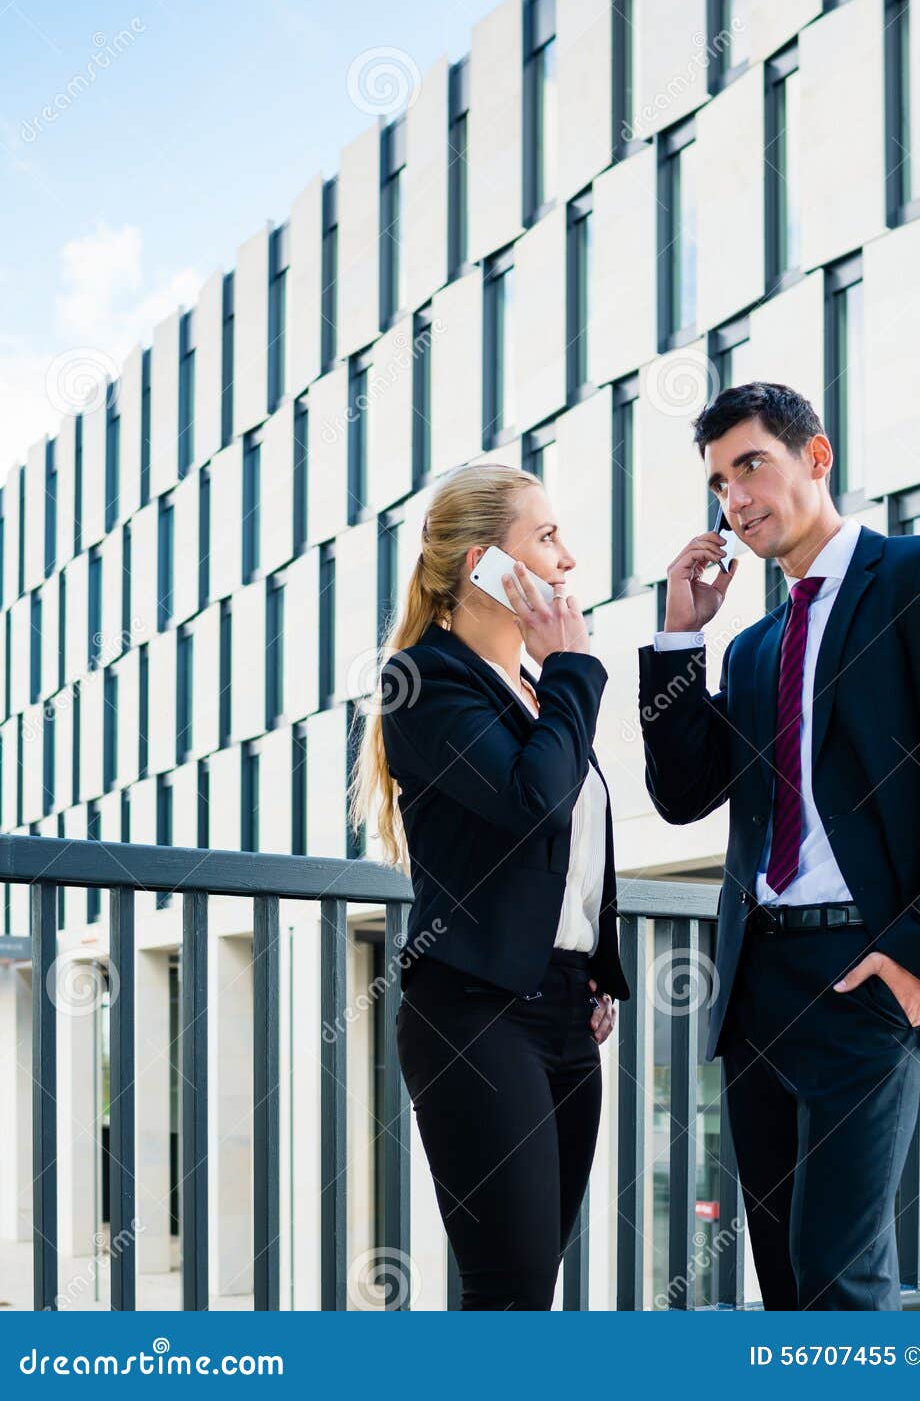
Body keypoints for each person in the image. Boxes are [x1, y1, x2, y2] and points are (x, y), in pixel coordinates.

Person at [638, 381, 920, 1311]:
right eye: (721, 482)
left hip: (868, 970)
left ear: (817, 457)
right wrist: (680, 638)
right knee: (785, 1278)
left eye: (752, 465)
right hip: (760, 984)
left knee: (841, 1278)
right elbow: (685, 795)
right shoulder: (756, 647)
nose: (736, 500)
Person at [352, 461, 630, 1310]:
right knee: (507, 1290)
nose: (568, 561)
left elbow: (573, 847)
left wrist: (592, 967)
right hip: (474, 1011)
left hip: (560, 1012)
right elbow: (528, 800)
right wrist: (576, 671)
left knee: (535, 1283)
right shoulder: (428, 681)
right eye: (545, 538)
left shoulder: (533, 688)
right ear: (484, 564)